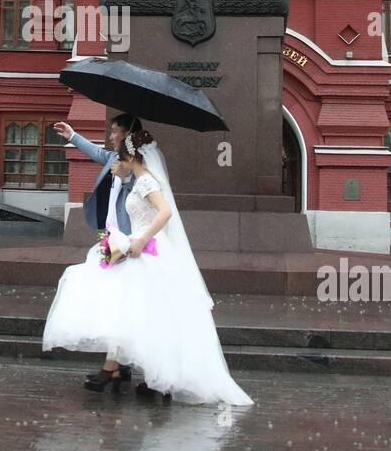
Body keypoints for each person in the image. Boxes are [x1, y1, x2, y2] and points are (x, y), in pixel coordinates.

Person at [42, 127, 253, 407]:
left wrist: (141, 238)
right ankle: (142, 375)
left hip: (148, 253)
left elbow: (165, 212)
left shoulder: (145, 182)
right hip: (138, 250)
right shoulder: (139, 178)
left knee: (146, 314)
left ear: (132, 155)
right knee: (135, 313)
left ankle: (140, 374)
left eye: (123, 156)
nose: (119, 159)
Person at [53, 113, 140, 241]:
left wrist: (125, 179)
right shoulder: (113, 158)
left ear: (127, 134)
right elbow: (96, 151)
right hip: (111, 230)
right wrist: (72, 135)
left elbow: (144, 198)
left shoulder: (141, 166)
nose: (110, 137)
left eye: (114, 132)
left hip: (129, 233)